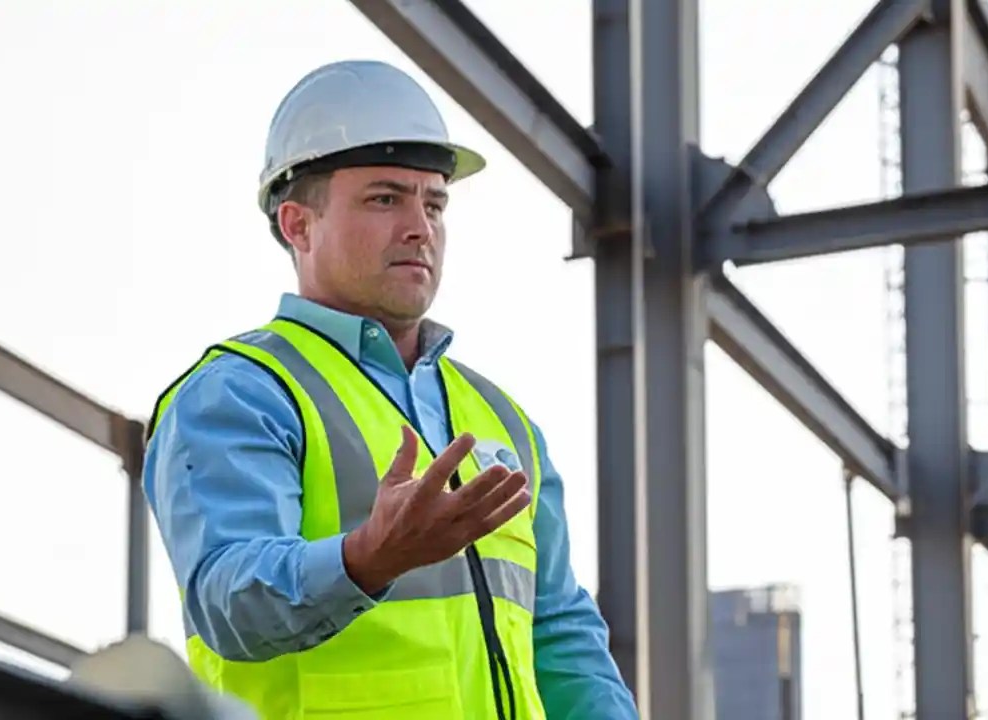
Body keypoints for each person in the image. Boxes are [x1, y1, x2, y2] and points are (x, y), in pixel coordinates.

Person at [142, 59, 638, 720]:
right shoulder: (239, 395)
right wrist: (366, 559)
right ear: (297, 224)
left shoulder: (503, 422)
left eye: (434, 202)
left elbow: (563, 636)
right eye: (385, 198)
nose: (420, 226)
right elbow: (229, 603)